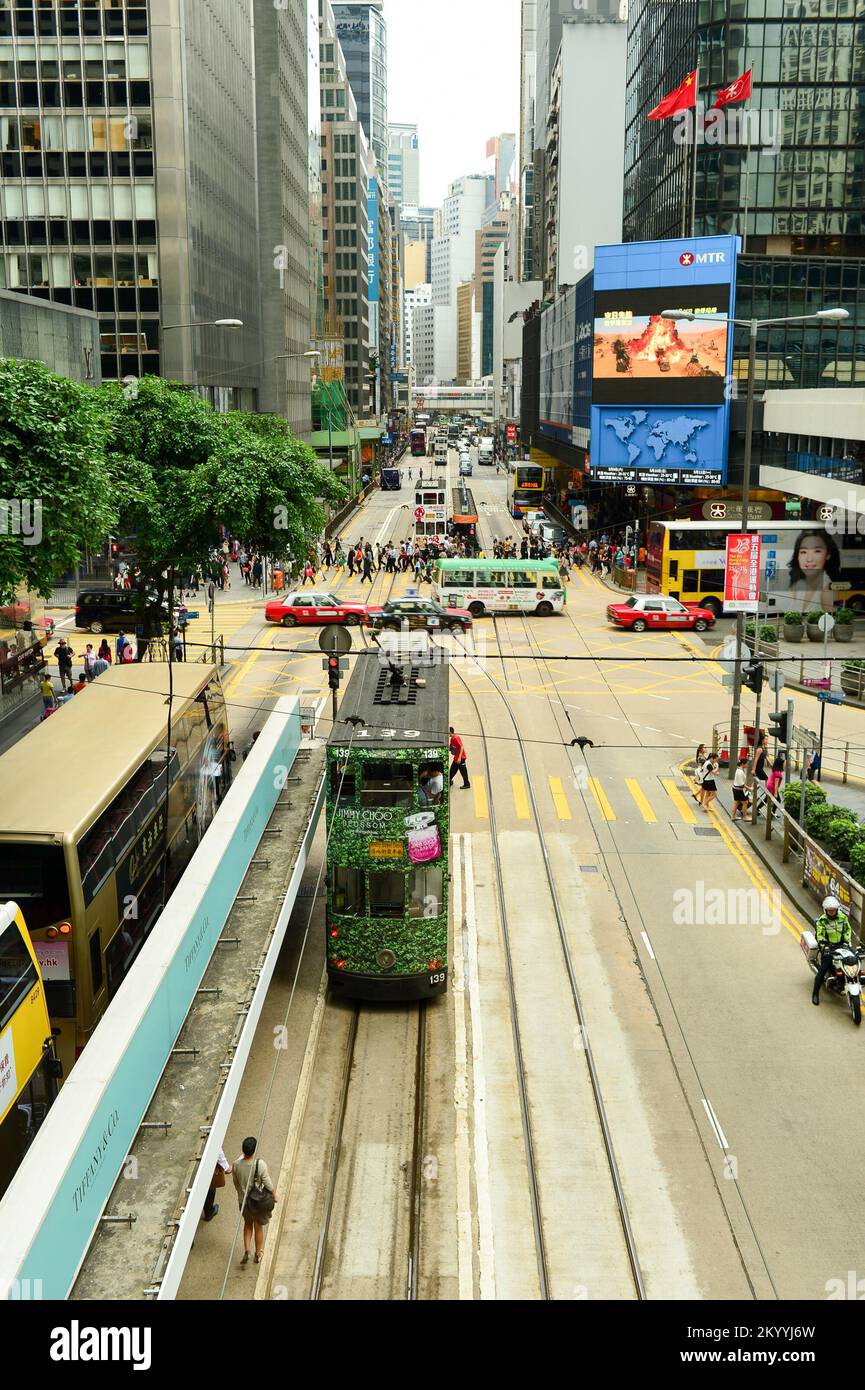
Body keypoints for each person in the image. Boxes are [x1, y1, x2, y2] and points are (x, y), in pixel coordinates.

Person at [233, 1136, 277, 1264]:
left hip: (243, 1202)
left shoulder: (236, 1165)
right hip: (257, 1202)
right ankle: (258, 1254)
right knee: (258, 1227)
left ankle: (247, 1250)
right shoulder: (259, 1164)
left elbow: (235, 1183)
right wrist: (274, 1194)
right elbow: (267, 1182)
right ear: (254, 1150)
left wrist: (241, 1194)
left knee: (247, 1225)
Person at [812, 896, 853, 1005]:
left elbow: (847, 929)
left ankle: (843, 983)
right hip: (828, 947)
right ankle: (815, 993)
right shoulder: (822, 920)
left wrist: (846, 940)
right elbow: (819, 935)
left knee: (851, 960)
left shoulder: (842, 917)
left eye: (833, 910)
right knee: (823, 969)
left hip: (841, 944)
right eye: (829, 910)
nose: (831, 912)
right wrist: (824, 946)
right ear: (825, 910)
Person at [203, 1149, 231, 1223]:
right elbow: (217, 1150)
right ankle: (209, 1212)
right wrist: (226, 1166)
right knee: (210, 1187)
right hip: (207, 1170)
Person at [731, 755, 751, 822]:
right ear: (743, 764)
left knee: (736, 802)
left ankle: (733, 816)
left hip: (735, 788)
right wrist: (749, 788)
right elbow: (741, 784)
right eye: (746, 764)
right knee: (745, 802)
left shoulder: (739, 769)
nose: (747, 765)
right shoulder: (740, 772)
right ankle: (745, 817)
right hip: (738, 789)